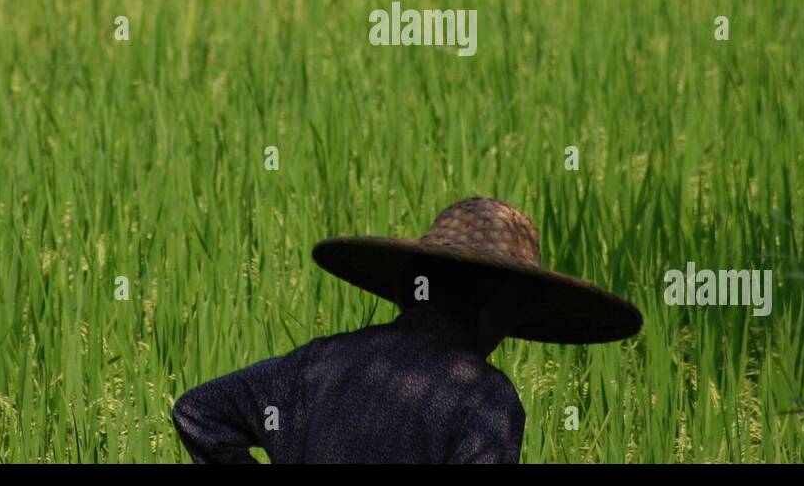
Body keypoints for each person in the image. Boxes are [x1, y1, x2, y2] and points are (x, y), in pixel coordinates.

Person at [172, 197, 642, 463]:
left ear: (407, 286)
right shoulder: (483, 398)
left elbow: (198, 411)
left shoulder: (314, 365)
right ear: (499, 304)